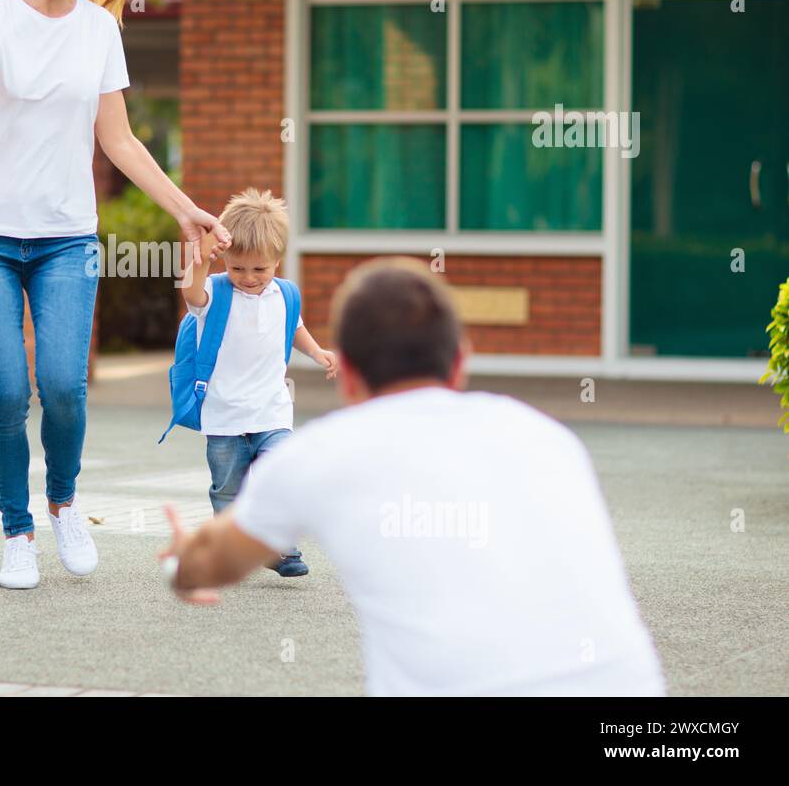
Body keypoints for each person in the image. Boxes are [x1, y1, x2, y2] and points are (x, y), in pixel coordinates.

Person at [160, 258, 666, 696]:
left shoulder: (318, 456)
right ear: (461, 360)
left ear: (350, 377)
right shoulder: (549, 436)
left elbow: (205, 566)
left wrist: (180, 565)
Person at [0, 0, 231, 589]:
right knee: (7, 391)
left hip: (67, 236)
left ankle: (62, 502)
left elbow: (119, 140)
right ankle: (17, 530)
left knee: (63, 387)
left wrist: (185, 210)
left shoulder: (99, 28)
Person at [178, 188, 337, 577]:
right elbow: (190, 291)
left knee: (278, 477)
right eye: (238, 269)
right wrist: (202, 255)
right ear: (226, 261)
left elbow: (294, 327)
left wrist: (316, 352)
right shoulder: (215, 292)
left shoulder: (285, 295)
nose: (248, 279)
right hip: (225, 418)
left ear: (277, 261)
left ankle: (277, 546)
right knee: (227, 491)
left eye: (259, 270)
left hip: (272, 412)